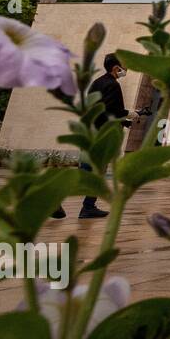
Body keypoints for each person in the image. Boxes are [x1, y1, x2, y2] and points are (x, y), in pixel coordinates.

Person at [53, 54, 139, 219]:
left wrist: (124, 122)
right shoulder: (112, 85)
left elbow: (101, 111)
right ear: (116, 68)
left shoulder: (97, 83)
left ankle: (88, 207)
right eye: (124, 68)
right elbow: (113, 111)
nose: (126, 71)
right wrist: (130, 114)